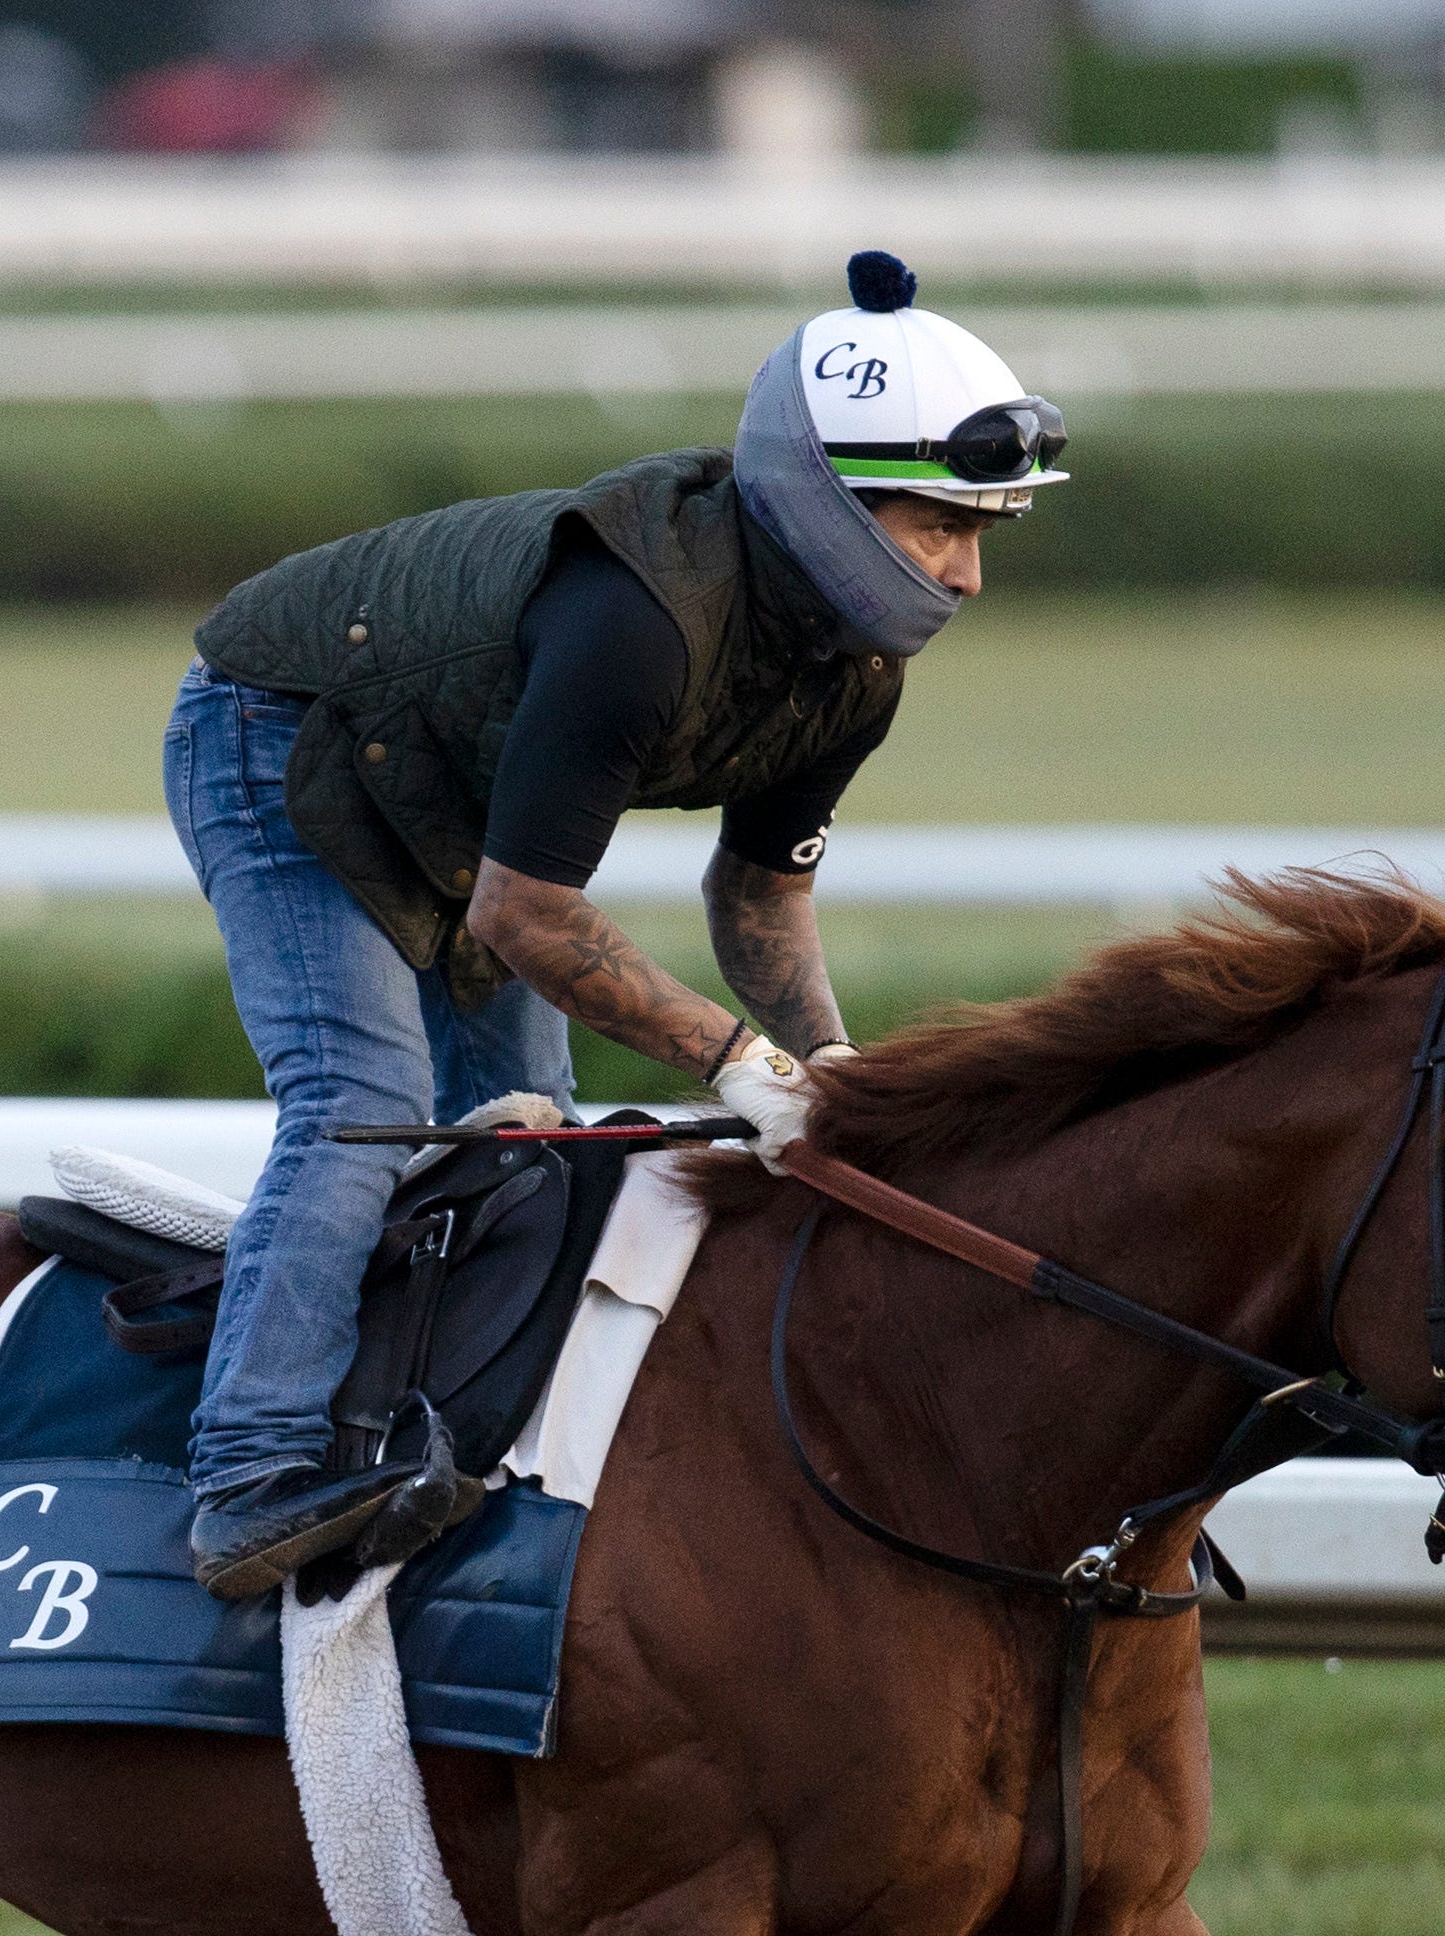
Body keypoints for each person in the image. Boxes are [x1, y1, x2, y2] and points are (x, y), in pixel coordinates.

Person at [167, 250, 1068, 1598]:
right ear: (827, 503)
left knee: (530, 1123)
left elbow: (759, 892)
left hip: (450, 786)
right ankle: (245, 1472)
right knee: (366, 1097)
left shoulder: (854, 670)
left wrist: (827, 1070)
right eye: (941, 525)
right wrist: (731, 1065)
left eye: (982, 531)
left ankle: (452, 1438)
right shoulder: (641, 625)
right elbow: (527, 911)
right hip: (280, 731)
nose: (968, 573)